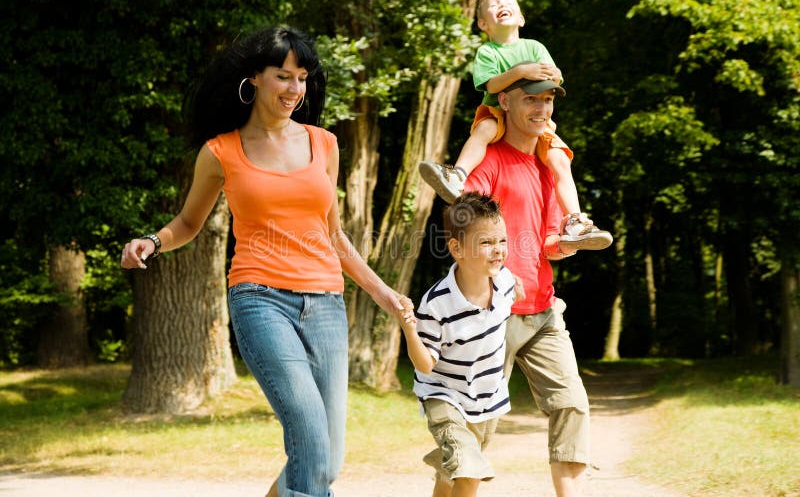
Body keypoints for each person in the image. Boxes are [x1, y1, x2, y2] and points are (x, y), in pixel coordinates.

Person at [120, 27, 413, 497]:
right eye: (283, 75)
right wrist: (152, 241)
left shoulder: (324, 143)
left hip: (326, 303)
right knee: (311, 438)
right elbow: (189, 222)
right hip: (260, 299)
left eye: (302, 78)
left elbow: (334, 234)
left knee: (327, 458)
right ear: (254, 78)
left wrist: (383, 293)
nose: (295, 88)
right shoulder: (221, 150)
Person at [463, 76, 591, 497]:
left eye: (548, 100)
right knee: (475, 427)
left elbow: (549, 240)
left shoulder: (550, 165)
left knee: (571, 407)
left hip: (543, 311)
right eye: (531, 99)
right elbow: (466, 222)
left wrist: (565, 245)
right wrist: (500, 272)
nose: (542, 108)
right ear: (505, 101)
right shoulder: (491, 160)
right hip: (491, 312)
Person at [419, 0, 611, 251]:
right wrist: (521, 72)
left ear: (521, 17)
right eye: (494, 4)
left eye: (508, 2)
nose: (502, 5)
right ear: (483, 24)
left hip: (530, 121)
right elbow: (491, 86)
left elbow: (555, 76)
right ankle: (458, 175)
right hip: (495, 112)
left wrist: (552, 75)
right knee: (484, 130)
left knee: (559, 159)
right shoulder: (488, 52)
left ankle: (575, 220)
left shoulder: (534, 47)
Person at [398, 192, 520, 497]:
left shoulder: (504, 281)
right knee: (468, 470)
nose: (498, 250)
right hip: (444, 396)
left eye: (502, 240)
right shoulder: (436, 303)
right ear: (456, 248)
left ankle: (447, 465)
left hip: (486, 397)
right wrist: (410, 330)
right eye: (486, 242)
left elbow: (519, 294)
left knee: (452, 472)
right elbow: (425, 364)